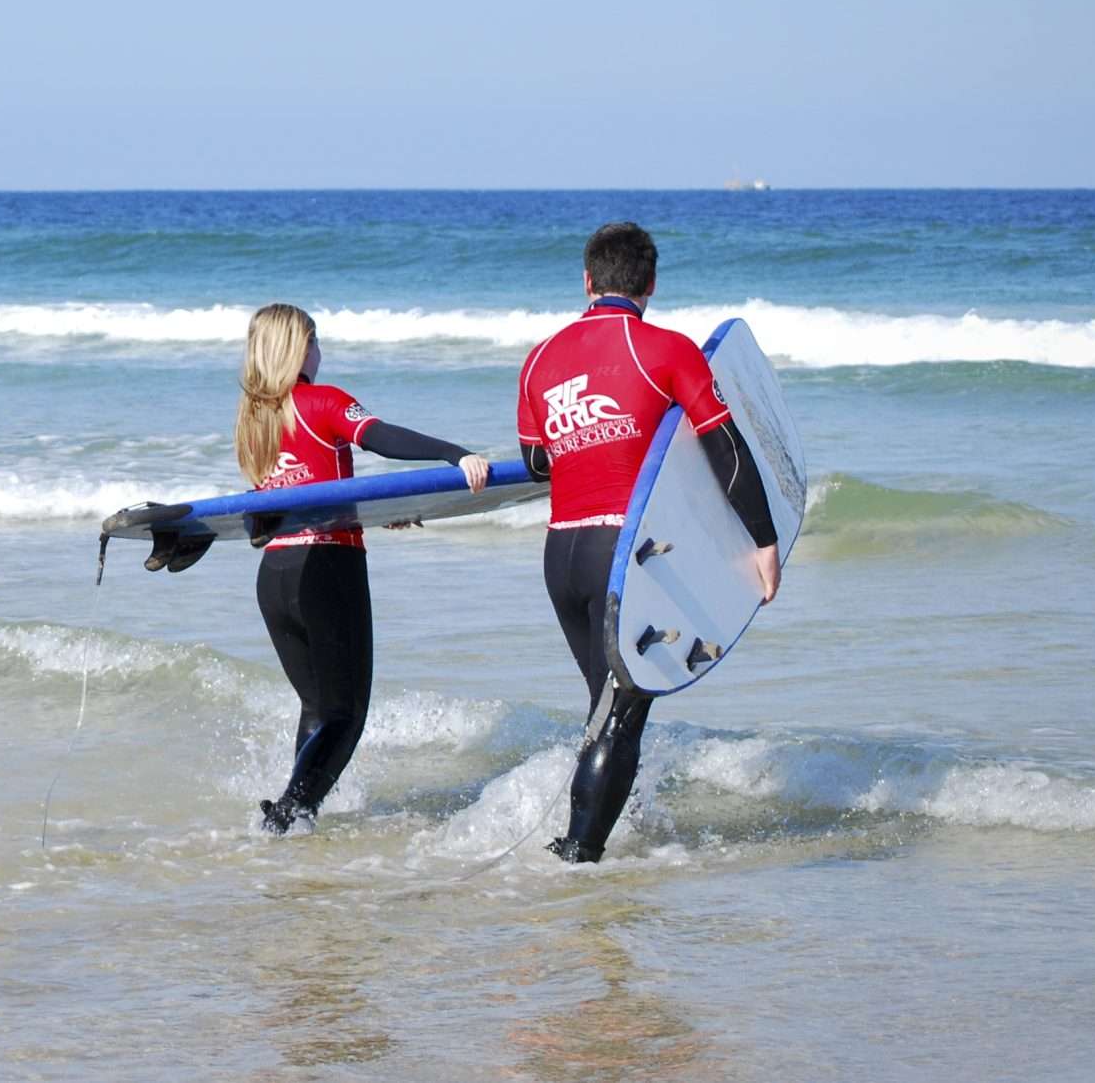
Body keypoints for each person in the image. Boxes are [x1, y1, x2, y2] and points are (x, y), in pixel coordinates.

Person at [518, 222, 780, 863]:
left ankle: (607, 828)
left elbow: (536, 462)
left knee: (604, 699)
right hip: (622, 553)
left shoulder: (539, 358)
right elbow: (724, 448)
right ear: (651, 284)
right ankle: (578, 856)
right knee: (624, 711)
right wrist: (764, 538)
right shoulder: (666, 349)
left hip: (561, 555)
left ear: (587, 280)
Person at [228, 302, 492, 835]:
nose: (321, 350)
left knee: (317, 707)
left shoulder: (254, 422)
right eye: (315, 340)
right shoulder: (321, 402)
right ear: (298, 348)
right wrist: (454, 455)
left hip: (276, 576)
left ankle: (294, 817)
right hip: (328, 568)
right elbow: (380, 436)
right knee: (345, 715)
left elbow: (279, 507)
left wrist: (376, 513)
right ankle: (287, 817)